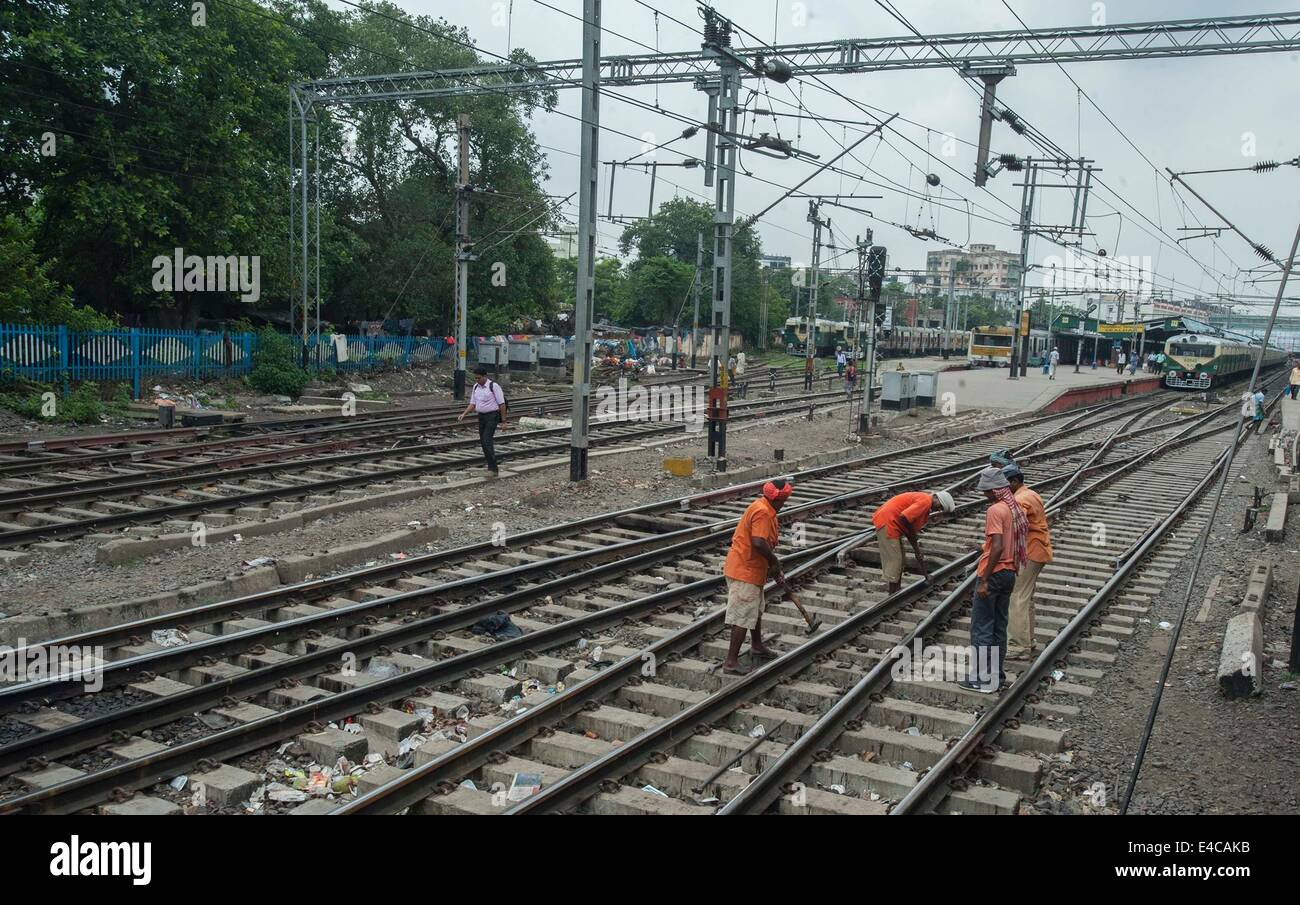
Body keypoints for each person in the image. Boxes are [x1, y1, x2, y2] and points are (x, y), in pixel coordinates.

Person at [958, 466, 1026, 693]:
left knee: (982, 628)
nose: (984, 495)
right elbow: (1010, 545)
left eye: (986, 491)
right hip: (1009, 574)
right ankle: (996, 676)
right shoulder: (1014, 508)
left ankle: (981, 679)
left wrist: (985, 579)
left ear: (995, 491)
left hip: (994, 573)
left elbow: (997, 546)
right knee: (998, 627)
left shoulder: (996, 510)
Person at [721, 479, 793, 675]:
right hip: (744, 569)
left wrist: (771, 566)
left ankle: (756, 644)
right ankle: (731, 662)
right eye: (785, 499)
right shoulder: (762, 511)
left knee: (755, 609)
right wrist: (775, 562)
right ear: (779, 499)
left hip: (752, 568)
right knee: (743, 613)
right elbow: (759, 542)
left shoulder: (765, 507)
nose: (785, 502)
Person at [1004, 463, 1052, 658]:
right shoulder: (1029, 494)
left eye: (1003, 485)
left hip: (1030, 552)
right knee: (1026, 596)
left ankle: (1018, 646)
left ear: (1015, 482)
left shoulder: (1021, 500)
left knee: (1016, 597)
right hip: (1037, 551)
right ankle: (1029, 640)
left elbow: (1016, 525)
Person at [871, 489, 956, 593]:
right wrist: (914, 542)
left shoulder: (924, 501)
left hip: (892, 523)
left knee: (900, 559)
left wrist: (916, 549)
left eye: (941, 509)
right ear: (936, 498)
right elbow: (904, 518)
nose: (938, 509)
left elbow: (909, 527)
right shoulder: (926, 501)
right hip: (888, 523)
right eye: (940, 506)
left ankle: (896, 591)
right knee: (895, 561)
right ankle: (892, 593)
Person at [457, 365, 508, 475]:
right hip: (481, 416)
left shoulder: (494, 386)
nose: (477, 380)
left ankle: (493, 469)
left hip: (492, 416)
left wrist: (504, 422)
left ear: (485, 376)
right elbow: (473, 403)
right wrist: (464, 414)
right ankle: (491, 466)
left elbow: (502, 404)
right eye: (475, 378)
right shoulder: (476, 387)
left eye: (479, 378)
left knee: (487, 440)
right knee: (483, 442)